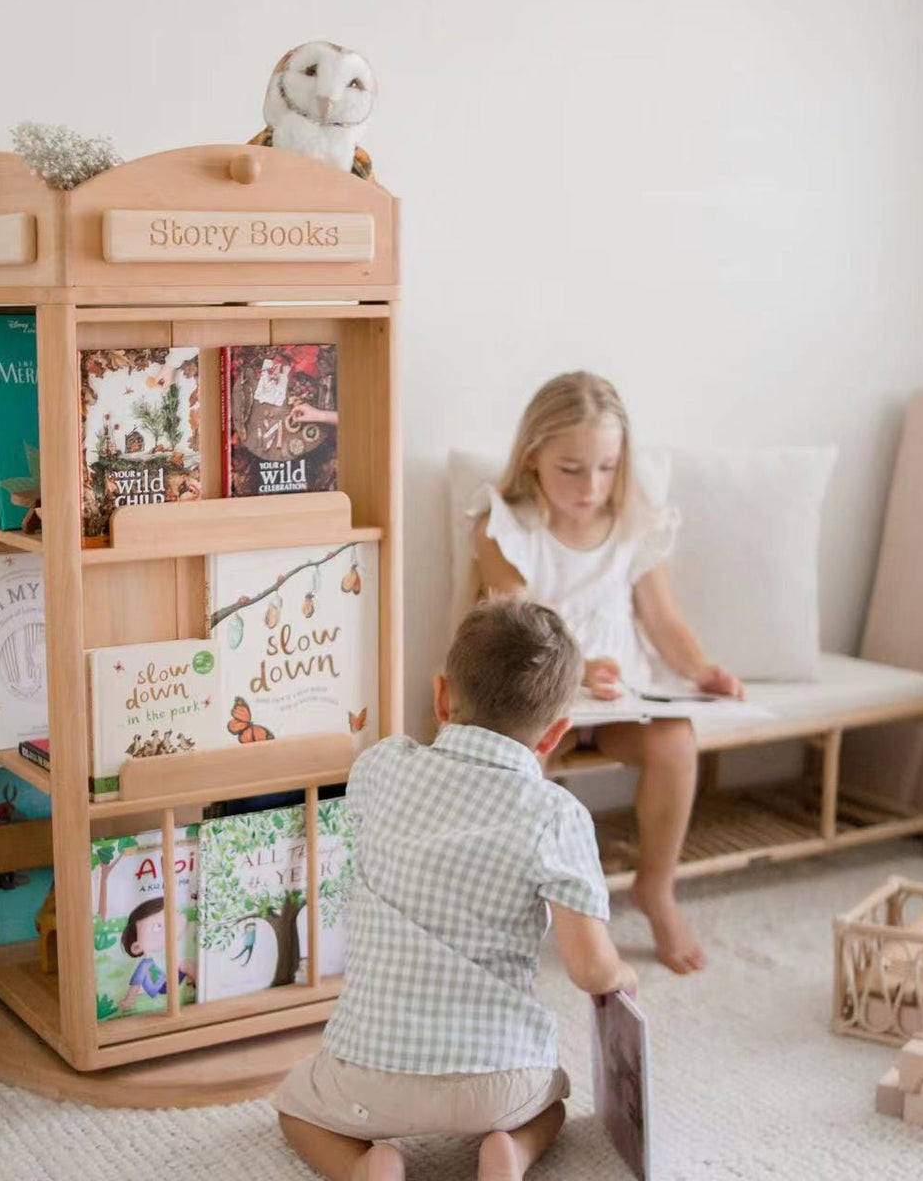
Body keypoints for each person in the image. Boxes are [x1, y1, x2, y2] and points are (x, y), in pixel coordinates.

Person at [272, 597, 636, 1181]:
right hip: (496, 1082)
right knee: (553, 1105)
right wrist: (621, 975)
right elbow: (590, 969)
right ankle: (510, 1154)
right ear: (556, 734)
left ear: (441, 697)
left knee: (296, 1104)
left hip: (370, 1072)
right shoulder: (555, 815)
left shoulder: (378, 767)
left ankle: (367, 1168)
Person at [470, 370, 743, 974]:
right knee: (520, 762)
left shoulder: (633, 528)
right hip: (539, 700)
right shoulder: (507, 526)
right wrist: (574, 667)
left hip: (620, 703)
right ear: (534, 455)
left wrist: (704, 672)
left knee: (677, 740)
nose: (591, 486)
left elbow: (664, 621)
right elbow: (514, 626)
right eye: (572, 468)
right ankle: (517, 901)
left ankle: (656, 887)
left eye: (607, 467)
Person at [117, 897, 195, 1013]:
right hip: (164, 984)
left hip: (166, 980)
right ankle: (196, 981)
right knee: (186, 964)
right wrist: (129, 999)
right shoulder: (146, 963)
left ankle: (189, 980)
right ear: (137, 947)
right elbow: (136, 980)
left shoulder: (167, 950)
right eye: (157, 926)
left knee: (184, 964)